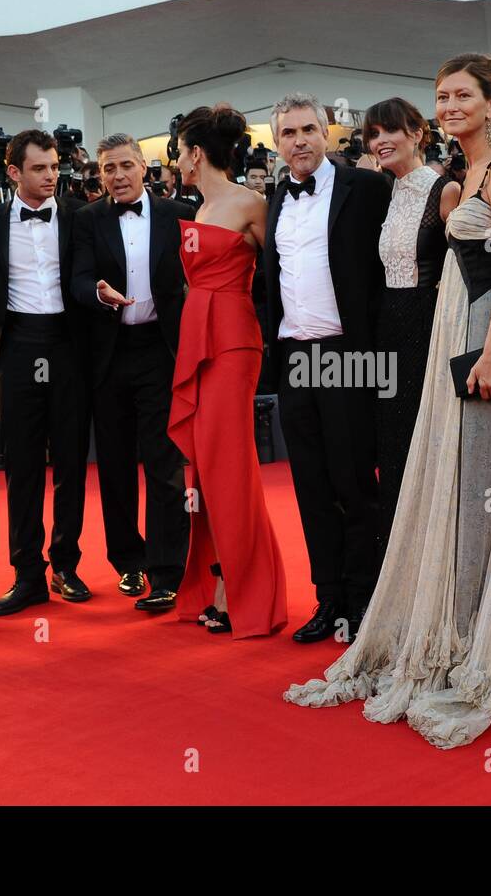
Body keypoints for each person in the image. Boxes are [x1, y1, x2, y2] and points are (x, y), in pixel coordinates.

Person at [286, 54, 491, 749]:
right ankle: (455, 631)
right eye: (443, 95)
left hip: (488, 338)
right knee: (450, 485)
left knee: (481, 490)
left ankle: (489, 645)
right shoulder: (465, 176)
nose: (452, 104)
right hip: (447, 336)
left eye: (465, 94)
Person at [260, 92, 390, 643]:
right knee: (311, 485)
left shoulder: (365, 188)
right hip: (295, 357)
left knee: (354, 481)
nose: (300, 141)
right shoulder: (273, 200)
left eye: (308, 129)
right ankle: (329, 597)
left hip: (348, 355)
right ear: (276, 143)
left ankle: (365, 601)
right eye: (288, 133)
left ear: (328, 131)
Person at [163, 104, 289, 637]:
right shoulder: (195, 205)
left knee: (230, 466)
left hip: (235, 343)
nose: (175, 163)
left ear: (195, 153)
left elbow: (282, 275)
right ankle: (217, 581)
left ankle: (249, 593)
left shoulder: (252, 203)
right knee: (204, 468)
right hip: (197, 336)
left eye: (178, 153)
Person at [0, 129, 92, 616]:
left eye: (55, 166)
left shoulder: (80, 215)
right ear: (15, 172)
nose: (51, 176)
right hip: (17, 345)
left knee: (70, 461)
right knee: (20, 465)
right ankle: (27, 575)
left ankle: (66, 565)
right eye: (40, 168)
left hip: (68, 344)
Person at [69, 133, 193, 611]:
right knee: (116, 465)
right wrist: (97, 291)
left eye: (125, 165)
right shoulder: (87, 219)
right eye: (107, 169)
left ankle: (167, 571)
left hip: (161, 351)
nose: (117, 176)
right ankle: (129, 563)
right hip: (109, 351)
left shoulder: (178, 212)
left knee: (164, 464)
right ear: (98, 175)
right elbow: (77, 278)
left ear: (145, 167)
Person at [362, 97, 459, 561]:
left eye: (389, 131)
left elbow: (463, 273)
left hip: (427, 327)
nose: (380, 141)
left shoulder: (445, 190)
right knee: (391, 445)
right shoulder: (386, 191)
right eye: (373, 135)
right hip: (388, 331)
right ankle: (397, 561)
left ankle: (433, 559)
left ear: (418, 133)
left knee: (427, 441)